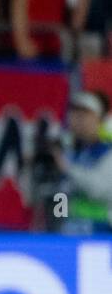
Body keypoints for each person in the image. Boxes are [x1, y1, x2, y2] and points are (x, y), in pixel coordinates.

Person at [52, 90, 112, 233]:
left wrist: (68, 169)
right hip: (71, 229)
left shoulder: (107, 152)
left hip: (102, 230)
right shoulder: (69, 151)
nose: (79, 120)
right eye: (76, 115)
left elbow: (100, 189)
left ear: (100, 120)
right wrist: (59, 219)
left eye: (85, 115)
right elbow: (61, 193)